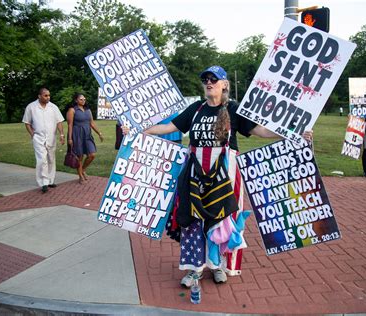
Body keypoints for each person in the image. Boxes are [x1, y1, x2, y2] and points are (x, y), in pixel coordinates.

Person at [122, 65, 313, 287]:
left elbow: (261, 131)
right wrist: (137, 130)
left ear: (225, 85)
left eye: (214, 79)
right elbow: (168, 127)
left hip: (225, 174)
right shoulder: (195, 108)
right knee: (193, 220)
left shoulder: (233, 109)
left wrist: (293, 133)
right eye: (205, 80)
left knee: (222, 220)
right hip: (195, 174)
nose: (209, 82)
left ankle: (217, 265)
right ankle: (195, 269)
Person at [23, 88, 65, 193]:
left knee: (51, 159)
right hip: (38, 138)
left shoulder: (53, 107)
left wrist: (62, 134)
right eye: (46, 95)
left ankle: (50, 180)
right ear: (39, 96)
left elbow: (59, 121)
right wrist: (32, 134)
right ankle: (43, 183)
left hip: (51, 137)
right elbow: (27, 122)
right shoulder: (31, 107)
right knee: (42, 160)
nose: (48, 97)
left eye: (49, 95)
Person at [66, 93, 104, 183]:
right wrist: (70, 138)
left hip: (87, 135)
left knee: (92, 154)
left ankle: (82, 169)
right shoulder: (72, 110)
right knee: (80, 156)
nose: (83, 101)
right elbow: (70, 125)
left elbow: (92, 123)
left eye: (84, 99)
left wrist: (99, 133)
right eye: (81, 99)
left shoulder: (88, 110)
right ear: (76, 100)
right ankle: (80, 176)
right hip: (77, 135)